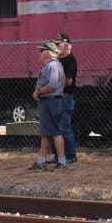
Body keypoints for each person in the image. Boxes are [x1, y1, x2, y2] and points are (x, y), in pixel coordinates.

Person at [30, 41, 67, 170]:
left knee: (56, 132)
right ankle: (41, 161)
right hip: (48, 101)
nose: (40, 53)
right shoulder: (52, 65)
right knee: (46, 133)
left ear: (49, 53)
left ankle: (62, 162)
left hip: (52, 101)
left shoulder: (53, 66)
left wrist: (38, 92)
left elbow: (52, 85)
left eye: (42, 51)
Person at [53, 32, 78, 164]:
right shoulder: (59, 60)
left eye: (59, 44)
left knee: (65, 127)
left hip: (66, 97)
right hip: (57, 97)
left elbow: (68, 81)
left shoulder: (70, 60)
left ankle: (71, 156)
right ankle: (58, 156)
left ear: (67, 45)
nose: (58, 46)